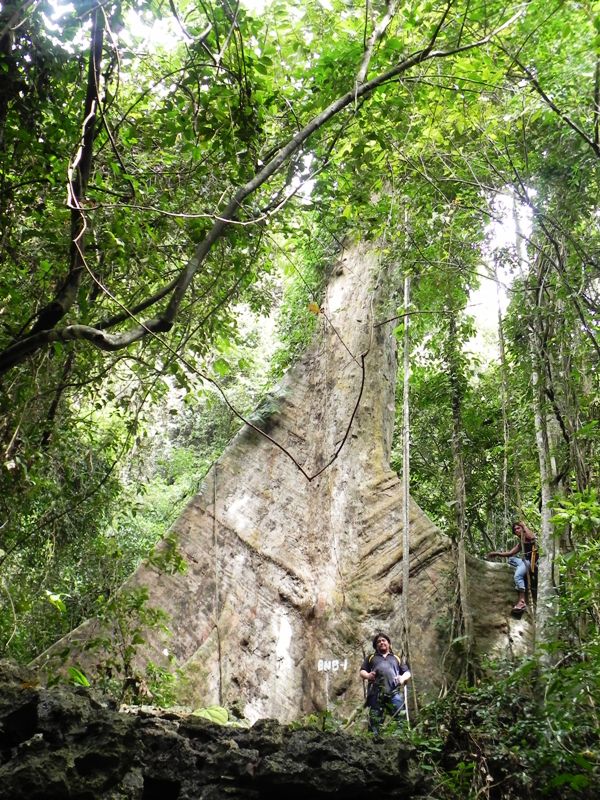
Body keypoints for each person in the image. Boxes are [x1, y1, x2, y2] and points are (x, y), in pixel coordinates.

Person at [359, 632, 411, 733]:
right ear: (375, 646)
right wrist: (368, 675)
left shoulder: (396, 658)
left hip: (394, 692)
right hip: (376, 693)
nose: (381, 642)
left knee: (400, 717)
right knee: (375, 721)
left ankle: (401, 740)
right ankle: (374, 743)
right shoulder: (371, 657)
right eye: (378, 641)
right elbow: (362, 671)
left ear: (389, 644)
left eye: (384, 640)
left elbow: (407, 672)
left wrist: (402, 678)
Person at [486, 521, 537, 614]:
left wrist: (524, 525)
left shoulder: (528, 537)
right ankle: (522, 571)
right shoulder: (521, 542)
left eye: (518, 528)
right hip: (523, 561)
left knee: (518, 576)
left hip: (530, 562)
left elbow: (532, 537)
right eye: (515, 529)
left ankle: (522, 602)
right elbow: (510, 553)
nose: (517, 530)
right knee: (511, 559)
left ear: (522, 528)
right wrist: (496, 553)